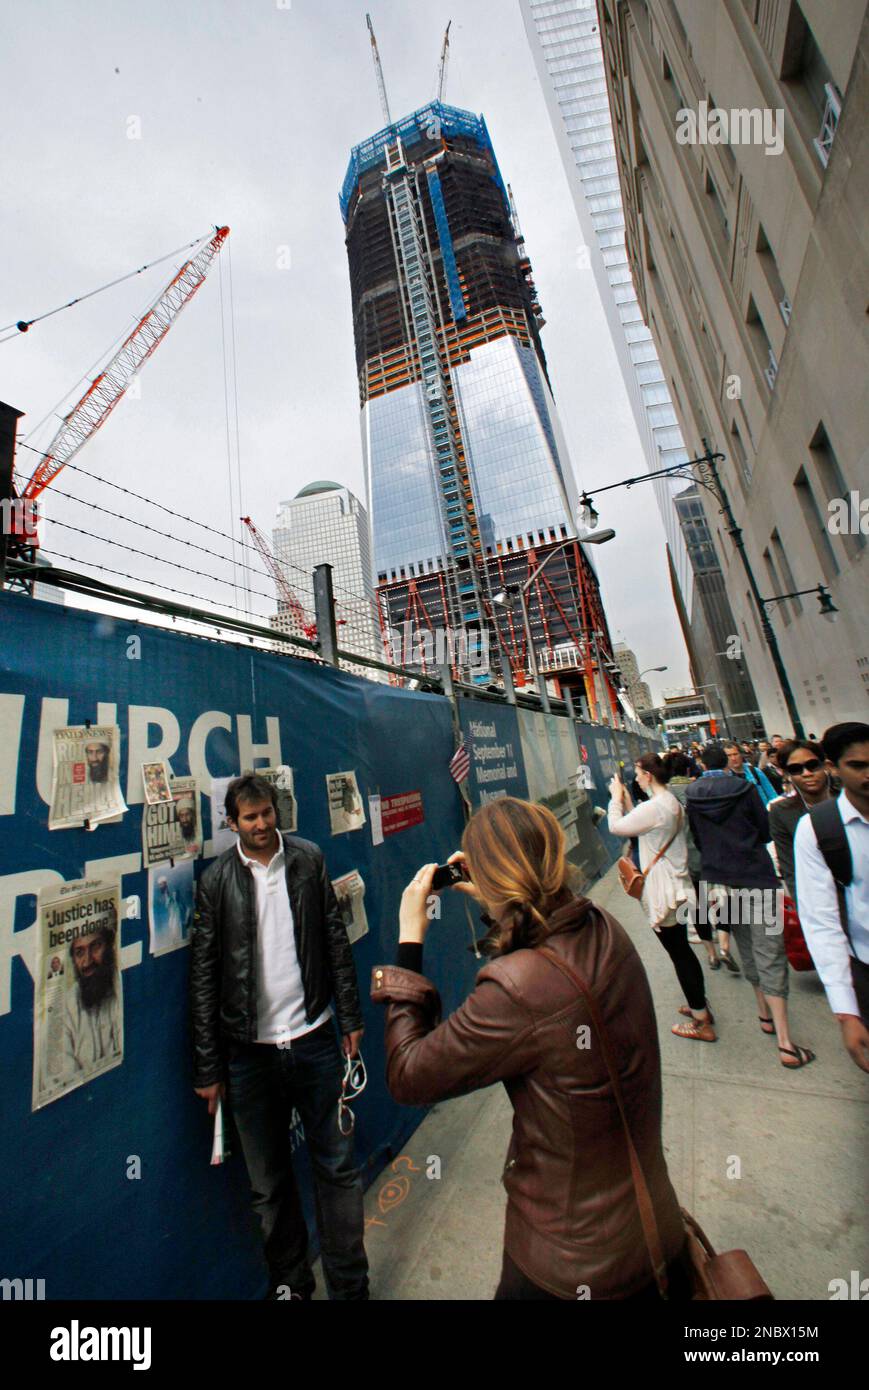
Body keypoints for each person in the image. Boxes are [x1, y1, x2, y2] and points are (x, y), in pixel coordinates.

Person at [370, 797, 689, 1301]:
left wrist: (409, 941)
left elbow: (408, 1075)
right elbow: (547, 953)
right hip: (653, 1233)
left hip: (567, 1264)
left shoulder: (519, 987)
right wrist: (499, 900)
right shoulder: (603, 928)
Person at [190, 773, 369, 1300]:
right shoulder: (216, 883)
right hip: (248, 1057)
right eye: (250, 817)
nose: (263, 824)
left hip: (314, 1038)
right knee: (268, 1187)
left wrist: (350, 1017)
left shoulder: (308, 859)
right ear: (232, 823)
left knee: (337, 1169)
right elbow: (203, 976)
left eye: (267, 813)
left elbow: (335, 941)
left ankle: (351, 1288)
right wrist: (208, 1068)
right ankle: (292, 1284)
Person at [687, 744, 815, 1069]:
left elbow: (698, 839)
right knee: (770, 951)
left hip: (721, 881)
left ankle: (763, 1014)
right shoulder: (743, 787)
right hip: (756, 876)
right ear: (727, 762)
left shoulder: (693, 793)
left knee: (745, 946)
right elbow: (764, 830)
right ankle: (785, 1043)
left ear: (702, 763)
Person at [607, 755, 713, 1040]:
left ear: (649, 775)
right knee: (682, 951)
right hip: (677, 884)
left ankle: (701, 1019)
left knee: (679, 954)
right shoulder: (670, 804)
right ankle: (699, 1005)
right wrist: (628, 801)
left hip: (664, 890)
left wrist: (615, 798)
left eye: (639, 774)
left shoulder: (656, 807)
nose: (637, 778)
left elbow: (616, 826)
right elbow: (641, 825)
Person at [794, 723, 869, 1074]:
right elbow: (821, 921)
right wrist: (846, 1009)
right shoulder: (815, 827)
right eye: (858, 765)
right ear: (834, 767)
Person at [665, 751, 718, 969]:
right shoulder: (702, 789)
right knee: (715, 897)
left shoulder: (663, 797)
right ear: (688, 769)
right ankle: (723, 940)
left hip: (679, 860)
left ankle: (711, 952)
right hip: (706, 854)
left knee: (696, 906)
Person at [768, 740, 832, 901]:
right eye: (796, 769)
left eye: (812, 765)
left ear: (824, 765)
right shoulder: (780, 811)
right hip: (821, 900)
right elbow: (790, 869)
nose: (806, 773)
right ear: (787, 774)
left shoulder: (850, 796)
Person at [64, 923, 122, 1076]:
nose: (87, 961)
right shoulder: (67, 1006)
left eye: (96, 946)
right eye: (79, 952)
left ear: (109, 947)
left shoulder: (120, 986)